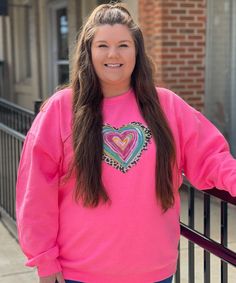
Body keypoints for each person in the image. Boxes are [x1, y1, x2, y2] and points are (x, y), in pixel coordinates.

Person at [16, 3, 236, 283]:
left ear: (137, 51)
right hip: (79, 273)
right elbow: (35, 189)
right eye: (102, 45)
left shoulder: (166, 105)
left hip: (154, 271)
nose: (113, 54)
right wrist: (44, 259)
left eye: (123, 44)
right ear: (88, 52)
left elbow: (212, 157)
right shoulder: (61, 109)